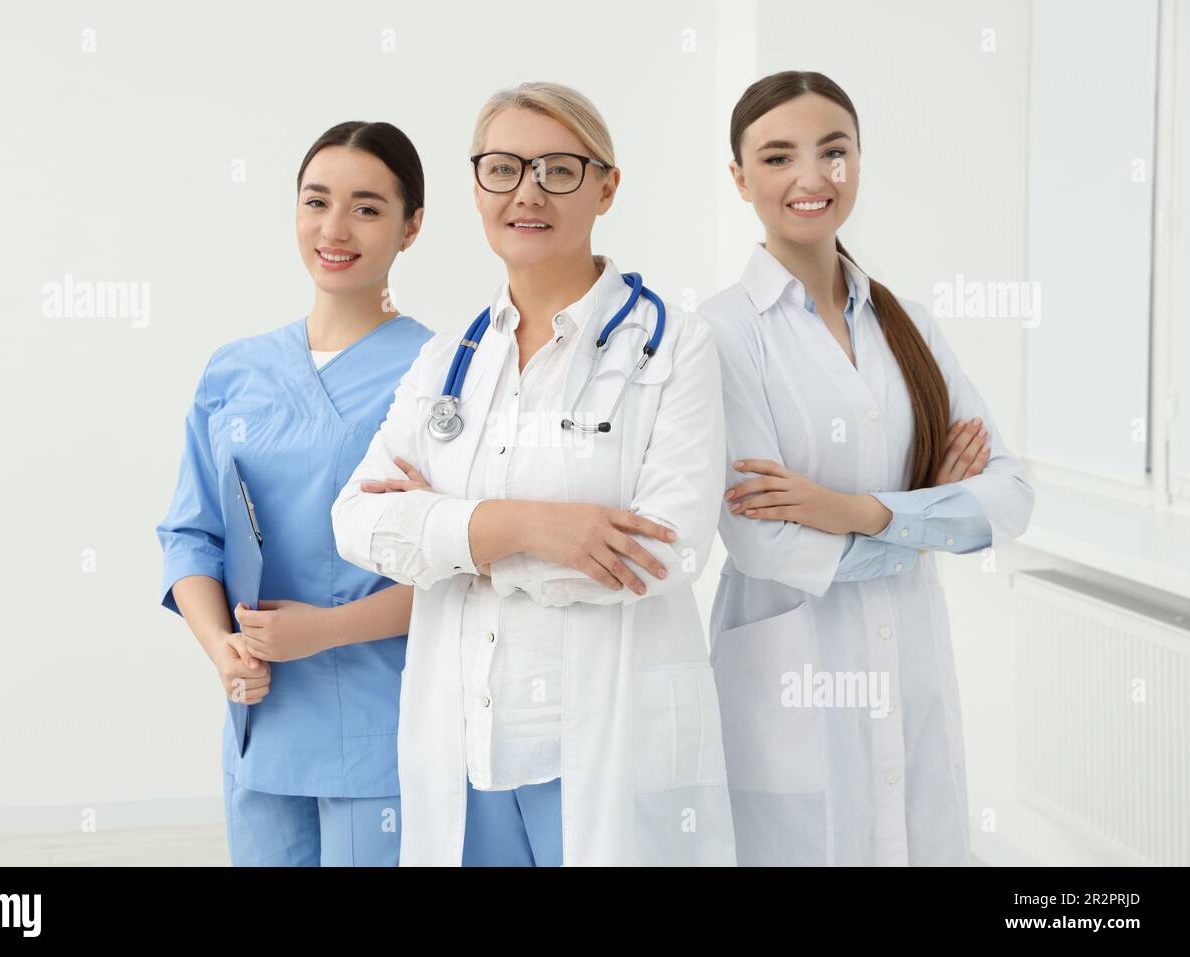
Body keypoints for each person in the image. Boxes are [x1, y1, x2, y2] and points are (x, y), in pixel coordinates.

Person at [333, 82, 735, 866]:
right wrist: (537, 527)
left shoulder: (674, 345)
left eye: (557, 169)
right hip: (467, 742)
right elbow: (358, 521)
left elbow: (666, 550)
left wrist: (450, 535)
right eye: (503, 169)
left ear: (606, 185)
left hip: (599, 741)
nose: (527, 191)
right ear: (476, 185)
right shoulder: (446, 357)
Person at [701, 71, 1034, 866]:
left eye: (834, 151)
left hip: (909, 661)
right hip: (790, 682)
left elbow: (1011, 495)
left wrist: (852, 511)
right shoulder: (721, 331)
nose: (812, 178)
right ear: (741, 179)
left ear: (858, 162)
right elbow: (764, 543)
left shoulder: (908, 323)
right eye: (779, 157)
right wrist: (928, 519)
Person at [156, 121, 433, 866]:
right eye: (316, 201)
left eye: (368, 208)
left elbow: (458, 565)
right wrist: (221, 648)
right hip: (260, 717)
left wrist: (325, 630)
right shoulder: (234, 370)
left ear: (412, 226)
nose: (334, 228)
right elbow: (190, 534)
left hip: (382, 723)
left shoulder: (439, 371)